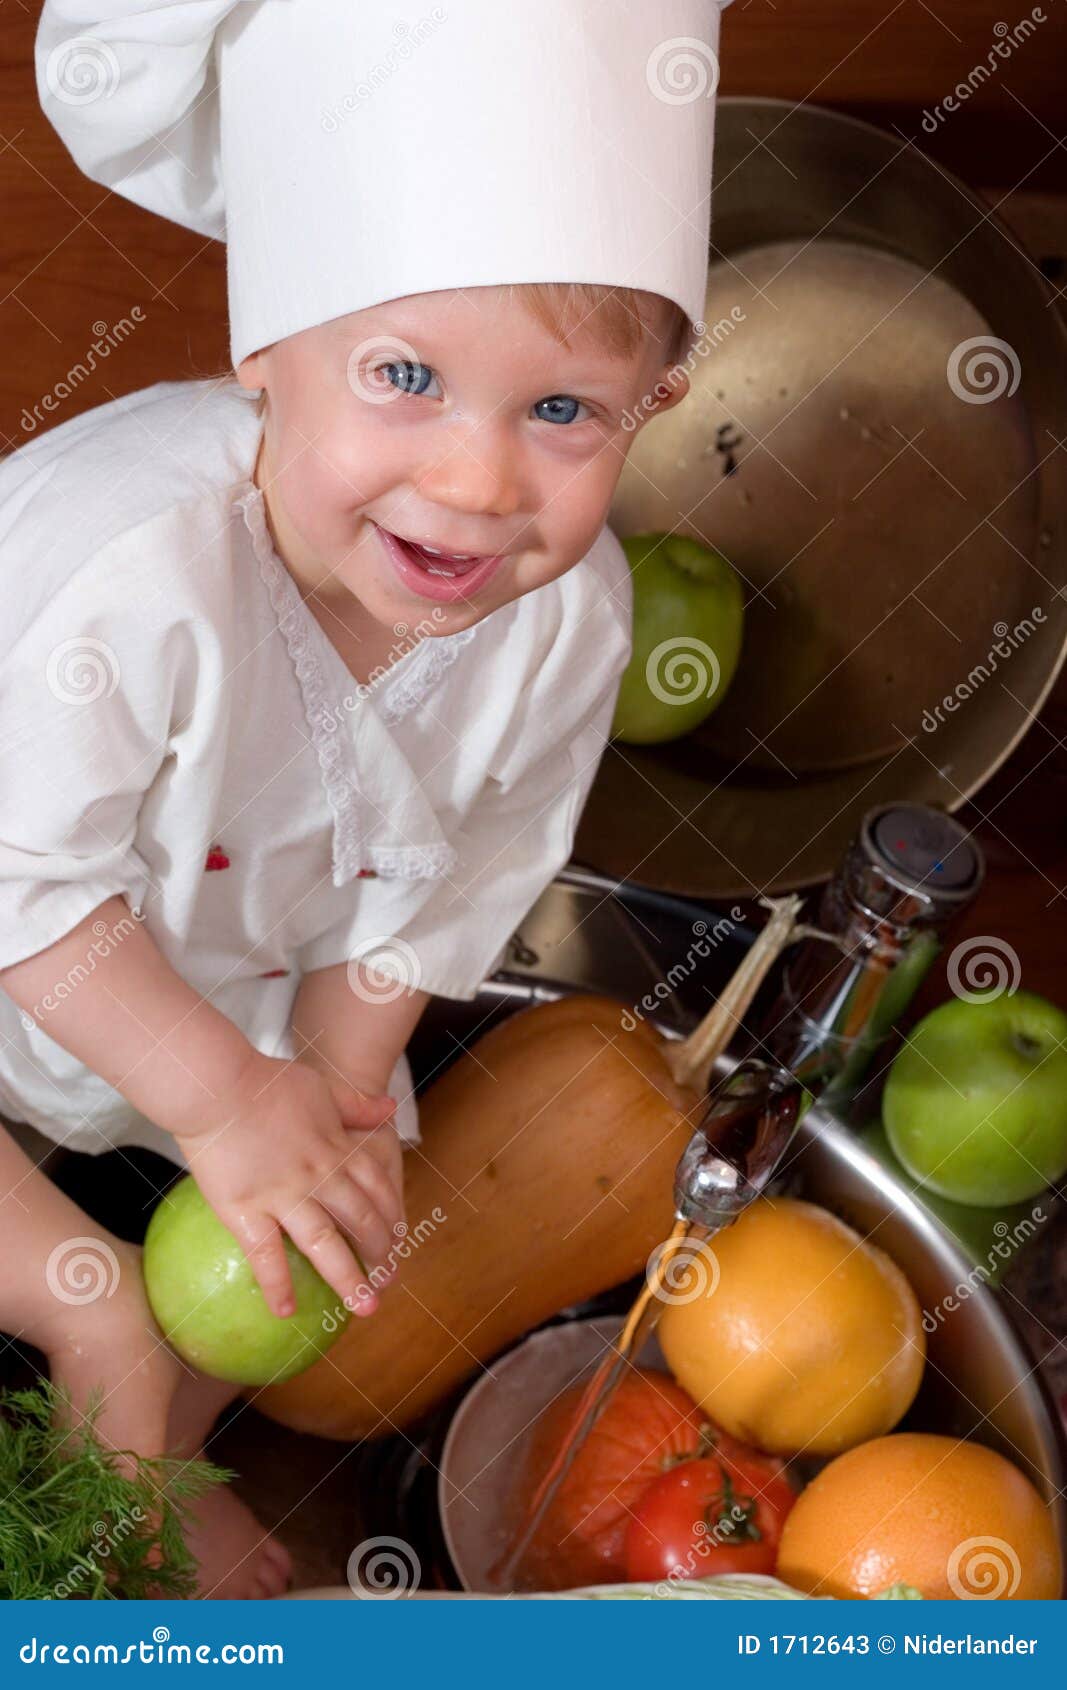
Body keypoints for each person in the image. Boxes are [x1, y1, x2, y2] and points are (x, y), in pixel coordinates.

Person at [0, 0, 728, 1596]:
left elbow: (454, 878)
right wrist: (214, 1097)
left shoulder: (569, 624)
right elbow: (21, 884)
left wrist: (328, 1085)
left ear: (655, 402)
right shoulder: (123, 571)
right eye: (405, 376)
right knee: (118, 1258)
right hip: (31, 987)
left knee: (341, 1233)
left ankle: (159, 1412)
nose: (477, 482)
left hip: (232, 1010)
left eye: (563, 412)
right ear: (264, 349)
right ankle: (79, 1305)